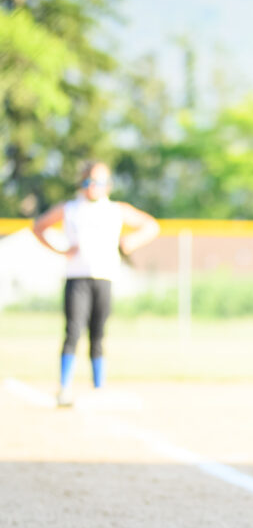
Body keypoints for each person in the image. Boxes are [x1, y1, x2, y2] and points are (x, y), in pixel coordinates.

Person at [31, 161, 160, 407]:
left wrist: (130, 242)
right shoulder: (70, 209)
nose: (93, 186)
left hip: (104, 276)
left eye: (99, 182)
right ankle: (64, 387)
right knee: (73, 331)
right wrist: (60, 250)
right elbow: (39, 227)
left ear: (108, 185)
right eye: (89, 181)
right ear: (82, 182)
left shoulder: (115, 209)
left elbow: (151, 226)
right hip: (77, 276)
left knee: (98, 333)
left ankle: (99, 386)